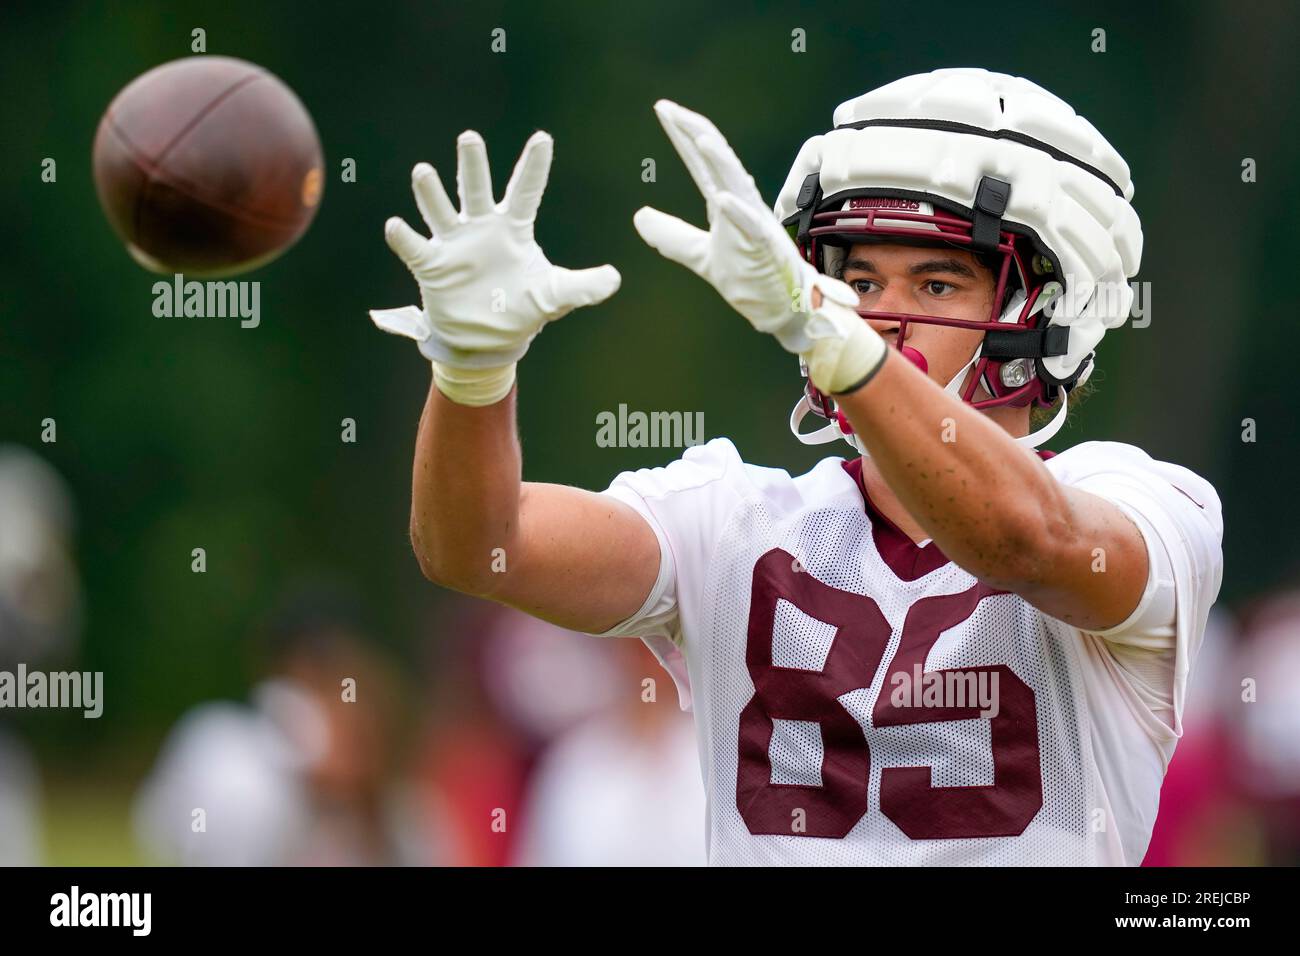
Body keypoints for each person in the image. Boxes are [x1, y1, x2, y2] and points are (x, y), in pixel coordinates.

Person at [369, 68, 1224, 865]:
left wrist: (845, 349)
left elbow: (1026, 540)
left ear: (1049, 315)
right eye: (857, 280)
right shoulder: (734, 518)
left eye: (934, 286)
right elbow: (480, 547)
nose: (880, 316)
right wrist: (473, 373)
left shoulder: (1149, 504)